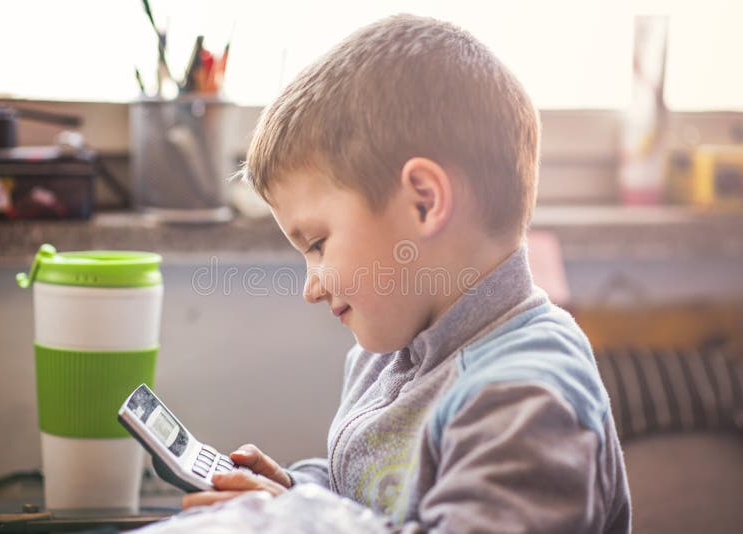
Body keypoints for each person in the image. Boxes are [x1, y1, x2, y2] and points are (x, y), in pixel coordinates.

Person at [183, 13, 631, 533]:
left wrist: (302, 522)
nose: (311, 287)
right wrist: (291, 494)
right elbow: (369, 500)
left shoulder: (525, 396)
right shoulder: (390, 355)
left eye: (319, 244)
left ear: (423, 202)